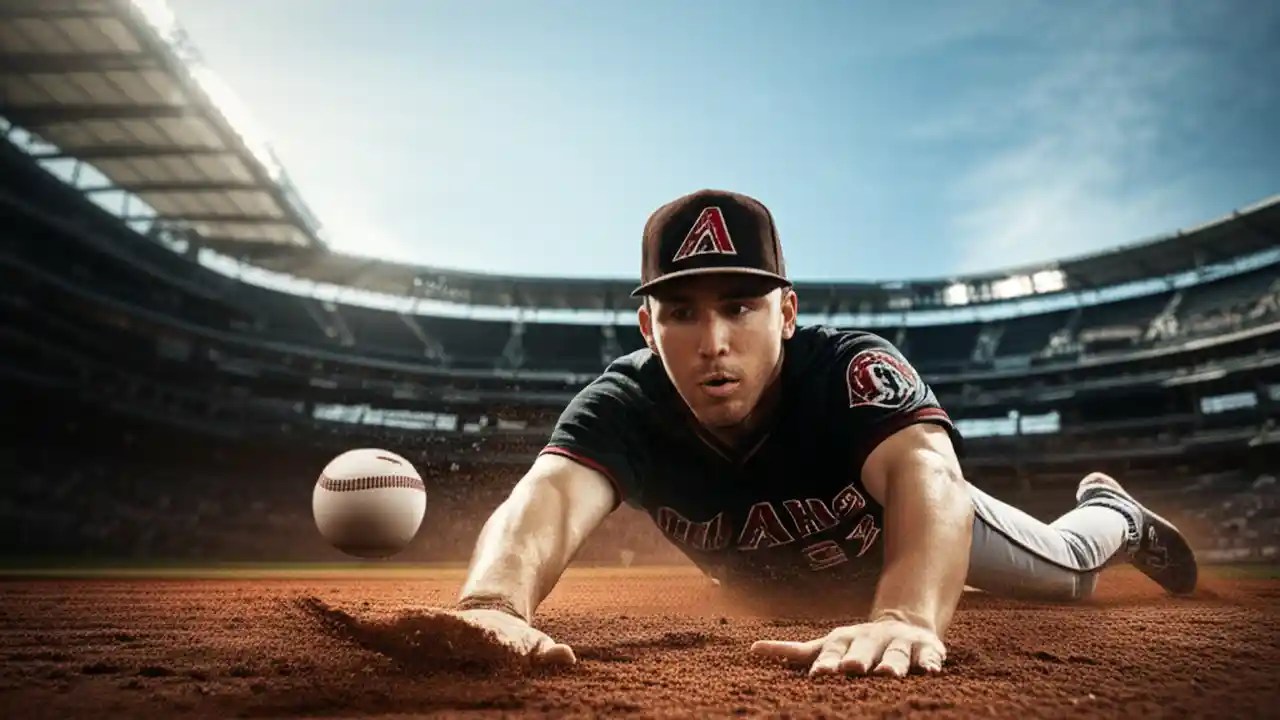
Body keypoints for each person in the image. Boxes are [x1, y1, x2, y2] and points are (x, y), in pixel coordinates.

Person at [447, 189, 1198, 678]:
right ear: (648, 327)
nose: (712, 341)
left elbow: (931, 479)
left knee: (1069, 573)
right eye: (681, 314)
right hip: (812, 584)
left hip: (911, 537)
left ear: (787, 313)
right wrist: (495, 604)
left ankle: (1115, 515)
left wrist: (905, 615)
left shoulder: (849, 369)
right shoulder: (625, 404)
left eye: (740, 306)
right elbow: (546, 500)